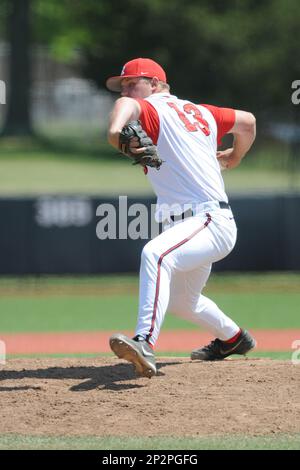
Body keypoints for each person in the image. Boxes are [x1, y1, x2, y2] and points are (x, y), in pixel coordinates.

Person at [106, 58, 256, 378]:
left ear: (157, 86)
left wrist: (115, 133)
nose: (127, 90)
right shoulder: (201, 112)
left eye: (134, 82)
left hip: (207, 220)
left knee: (156, 255)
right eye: (124, 85)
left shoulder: (150, 107)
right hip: (198, 224)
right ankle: (233, 338)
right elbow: (248, 122)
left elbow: (124, 109)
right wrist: (235, 156)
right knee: (182, 302)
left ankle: (144, 342)